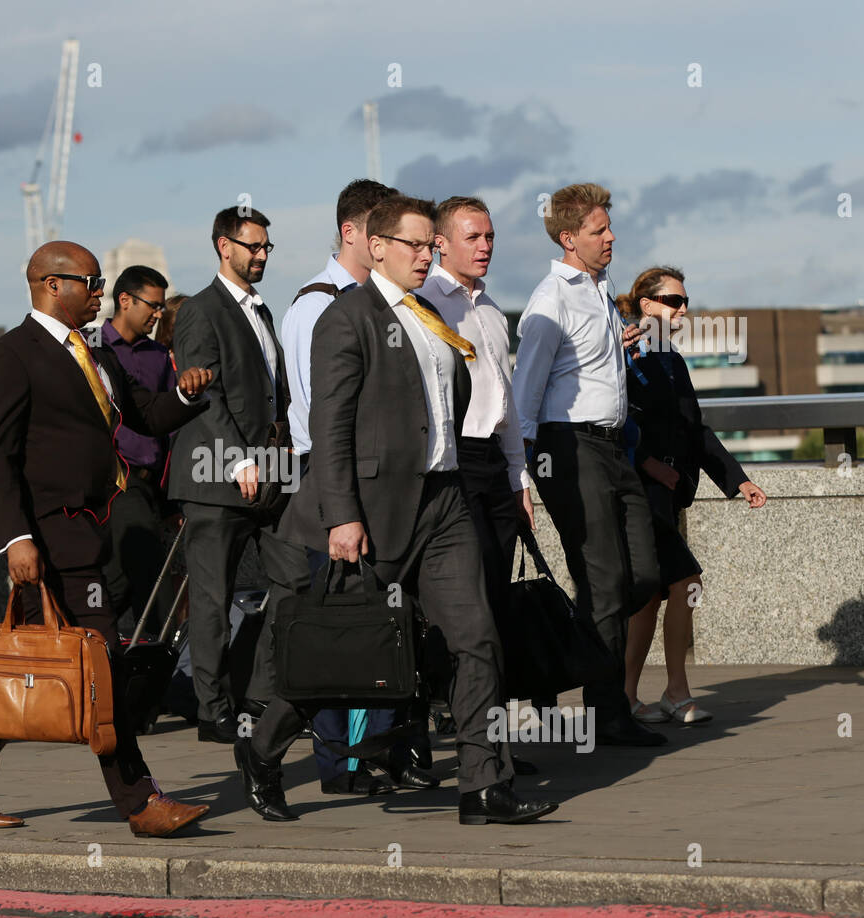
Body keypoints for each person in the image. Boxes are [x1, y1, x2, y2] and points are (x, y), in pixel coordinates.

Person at [242, 195, 558, 826]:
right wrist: (342, 516)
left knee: (477, 638)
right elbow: (329, 429)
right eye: (412, 244)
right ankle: (260, 748)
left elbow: (451, 399)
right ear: (377, 246)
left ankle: (483, 786)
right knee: (340, 655)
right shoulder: (346, 317)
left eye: (427, 244)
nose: (424, 254)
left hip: (443, 503)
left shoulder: (431, 315)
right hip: (369, 512)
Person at [0, 240, 215, 836]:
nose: (99, 293)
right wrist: (15, 541)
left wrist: (186, 393)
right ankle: (139, 801)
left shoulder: (96, 354)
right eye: (90, 281)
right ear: (50, 284)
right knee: (99, 663)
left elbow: (144, 415)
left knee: (22, 665)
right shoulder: (11, 356)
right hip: (46, 535)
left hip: (88, 527)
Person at [251, 178, 437, 796]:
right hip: (335, 491)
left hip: (391, 494)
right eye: (400, 238)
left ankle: (373, 756)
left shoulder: (397, 305)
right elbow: (319, 419)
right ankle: (331, 762)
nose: (416, 252)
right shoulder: (320, 305)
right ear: (358, 235)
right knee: (338, 640)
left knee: (385, 632)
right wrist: (341, 510)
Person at [512, 183, 664, 747]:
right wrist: (524, 474)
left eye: (609, 227)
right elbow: (524, 395)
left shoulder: (599, 292)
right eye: (600, 230)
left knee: (641, 575)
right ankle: (607, 714)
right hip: (566, 449)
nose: (611, 237)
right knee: (603, 582)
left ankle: (567, 659)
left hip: (610, 446)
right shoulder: (551, 299)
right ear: (569, 237)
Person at [417, 196, 538, 775]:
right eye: (473, 236)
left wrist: (519, 477)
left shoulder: (492, 310)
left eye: (490, 236)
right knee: (471, 618)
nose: (485, 245)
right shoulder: (425, 306)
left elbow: (507, 403)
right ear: (440, 243)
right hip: (452, 463)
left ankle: (495, 750)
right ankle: (473, 749)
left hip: (494, 463)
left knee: (499, 609)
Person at [616, 266, 767, 724]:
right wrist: (646, 463)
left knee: (649, 597)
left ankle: (627, 697)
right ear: (647, 305)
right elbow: (612, 416)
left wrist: (736, 478)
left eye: (685, 302)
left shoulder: (671, 358)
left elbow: (693, 428)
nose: (683, 309)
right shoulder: (628, 352)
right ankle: (676, 692)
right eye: (673, 301)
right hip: (638, 491)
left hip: (667, 493)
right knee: (687, 581)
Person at [166, 206, 292, 742]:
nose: (262, 255)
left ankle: (263, 694)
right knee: (213, 598)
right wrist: (238, 459)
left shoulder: (261, 311)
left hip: (272, 470)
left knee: (294, 581)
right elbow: (204, 396)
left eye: (267, 247)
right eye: (253, 246)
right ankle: (212, 710)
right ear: (224, 246)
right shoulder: (201, 310)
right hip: (217, 474)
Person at [99, 265, 179, 631]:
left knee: (120, 578)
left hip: (153, 485)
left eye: (162, 306)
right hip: (116, 482)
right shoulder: (92, 351)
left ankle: (88, 641)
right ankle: (161, 656)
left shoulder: (158, 357)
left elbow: (168, 424)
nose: (158, 314)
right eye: (153, 305)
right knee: (149, 576)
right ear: (125, 300)